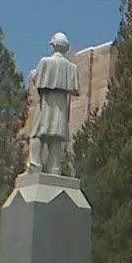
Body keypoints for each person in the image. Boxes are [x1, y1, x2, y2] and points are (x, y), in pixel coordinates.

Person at [27, 32, 79, 173]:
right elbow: (75, 88)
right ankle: (55, 168)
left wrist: (33, 75)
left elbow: (38, 81)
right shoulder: (71, 68)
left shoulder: (45, 62)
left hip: (47, 103)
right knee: (56, 138)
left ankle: (35, 164)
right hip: (61, 106)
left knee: (37, 134)